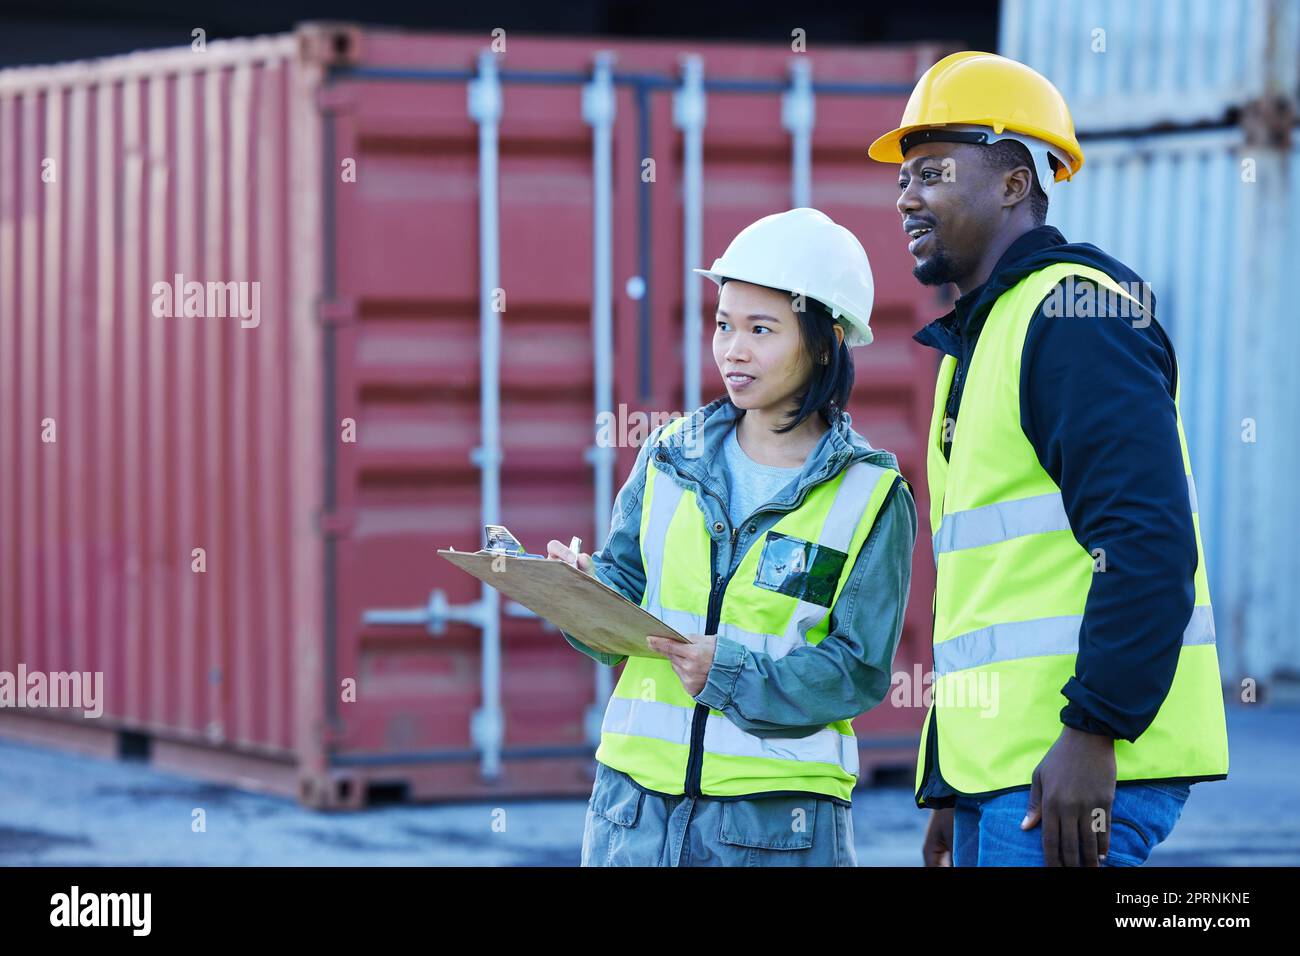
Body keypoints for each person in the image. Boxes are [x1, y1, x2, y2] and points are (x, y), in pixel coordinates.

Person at [867, 51, 1229, 867]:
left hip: (1073, 768)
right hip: (1004, 771)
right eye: (902, 179)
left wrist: (1094, 729)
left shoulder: (1073, 317)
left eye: (931, 172)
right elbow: (988, 596)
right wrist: (949, 780)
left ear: (1012, 184)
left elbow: (1147, 539)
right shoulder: (980, 338)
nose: (906, 197)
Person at [548, 208, 917, 866]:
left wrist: (733, 674)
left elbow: (857, 672)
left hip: (774, 824)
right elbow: (623, 598)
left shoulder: (870, 496)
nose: (732, 349)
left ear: (825, 342)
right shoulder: (669, 455)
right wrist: (579, 596)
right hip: (635, 811)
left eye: (760, 329)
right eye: (723, 325)